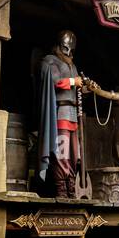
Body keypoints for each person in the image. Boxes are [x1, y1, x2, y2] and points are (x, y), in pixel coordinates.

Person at [37, 29, 84, 198]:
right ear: (59, 45)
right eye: (66, 47)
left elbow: (76, 84)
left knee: (73, 153)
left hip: (73, 112)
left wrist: (83, 86)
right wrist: (73, 81)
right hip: (60, 112)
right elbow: (55, 82)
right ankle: (61, 190)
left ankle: (71, 188)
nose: (69, 51)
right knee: (61, 152)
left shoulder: (73, 65)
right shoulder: (50, 62)